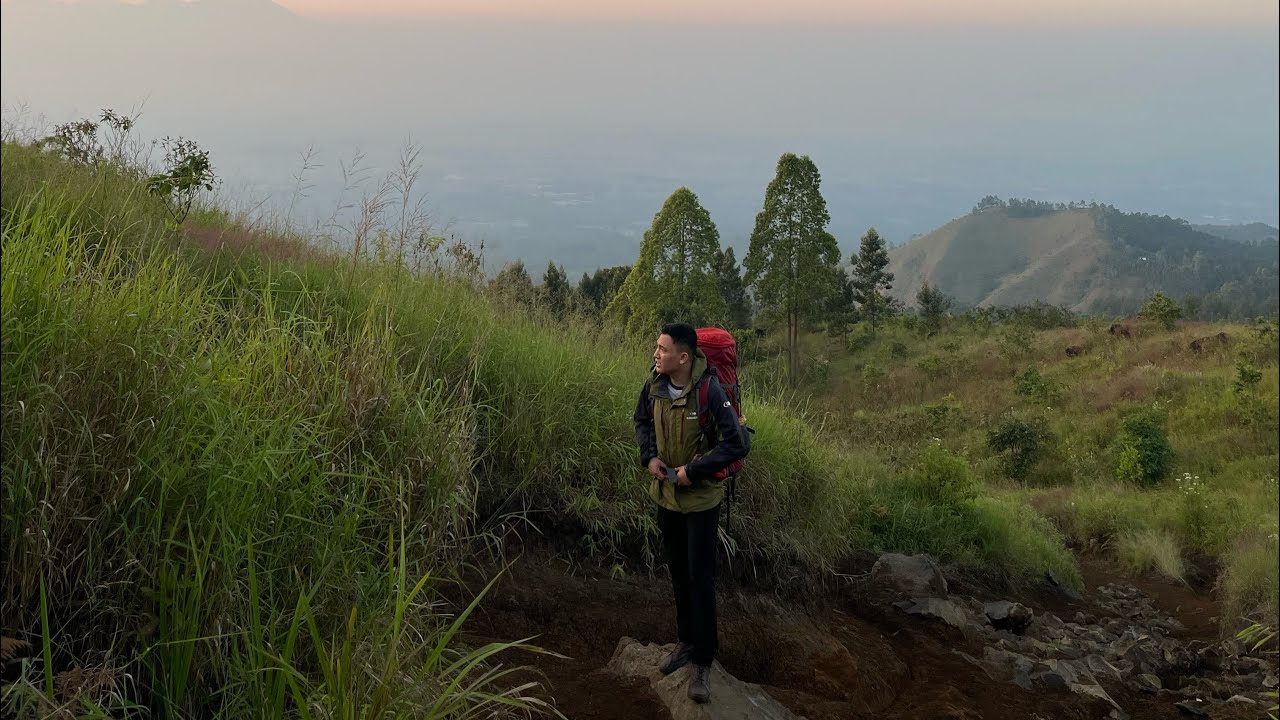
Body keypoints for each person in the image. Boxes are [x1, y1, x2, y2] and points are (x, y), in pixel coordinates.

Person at [633, 322, 749, 704]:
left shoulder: (710, 392)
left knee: (701, 580)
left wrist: (691, 471)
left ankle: (702, 661)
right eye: (657, 347)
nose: (656, 354)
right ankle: (685, 643)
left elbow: (736, 444)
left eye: (662, 349)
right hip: (666, 497)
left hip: (700, 502)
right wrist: (649, 455)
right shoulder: (654, 385)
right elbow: (642, 421)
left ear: (683, 357)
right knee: (680, 575)